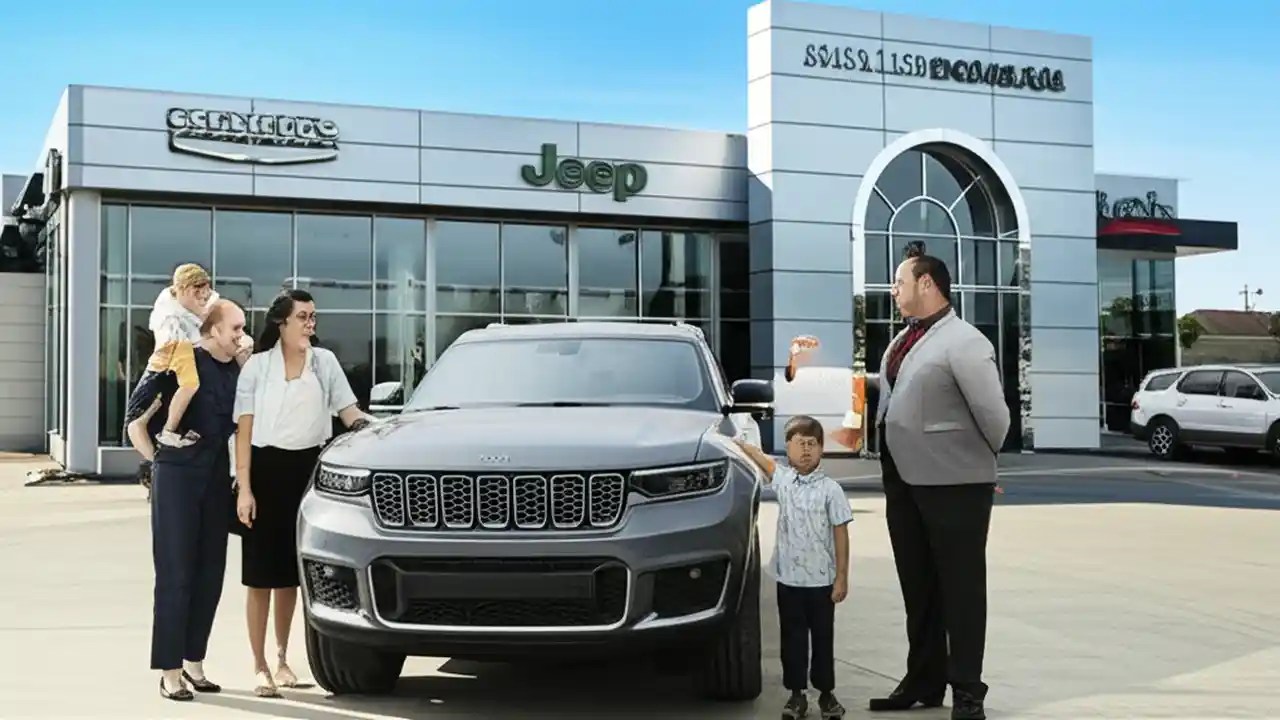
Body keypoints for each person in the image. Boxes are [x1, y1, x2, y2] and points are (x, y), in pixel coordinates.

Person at [866, 247, 1009, 720]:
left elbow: (996, 417)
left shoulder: (966, 342)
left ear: (927, 284)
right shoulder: (899, 341)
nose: (893, 290)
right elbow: (899, 390)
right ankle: (924, 680)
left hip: (955, 483)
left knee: (962, 588)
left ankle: (968, 691)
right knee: (919, 585)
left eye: (899, 281)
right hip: (904, 483)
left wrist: (978, 463)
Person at [233, 289, 375, 697]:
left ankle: (281, 659)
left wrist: (380, 428)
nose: (310, 325)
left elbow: (350, 414)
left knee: (290, 577)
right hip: (263, 472)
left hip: (306, 473)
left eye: (314, 318)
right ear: (282, 322)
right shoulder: (257, 368)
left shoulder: (324, 362)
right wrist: (244, 489)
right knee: (260, 577)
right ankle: (259, 664)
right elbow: (243, 431)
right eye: (303, 317)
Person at [124, 299, 247, 702]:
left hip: (214, 472)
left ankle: (194, 662)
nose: (241, 336)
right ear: (213, 330)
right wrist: (158, 459)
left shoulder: (236, 369)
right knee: (176, 574)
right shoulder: (181, 358)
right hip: (177, 473)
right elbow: (134, 419)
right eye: (235, 329)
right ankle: (169, 671)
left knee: (210, 571)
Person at [735, 415, 853, 720]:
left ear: (821, 449)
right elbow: (761, 459)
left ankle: (827, 694)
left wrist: (841, 577)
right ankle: (796, 695)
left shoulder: (832, 490)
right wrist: (739, 444)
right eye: (799, 444)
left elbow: (841, 534)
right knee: (793, 639)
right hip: (789, 582)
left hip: (822, 583)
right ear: (787, 448)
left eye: (812, 444)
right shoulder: (784, 480)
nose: (805, 451)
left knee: (823, 639)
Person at [145, 263, 219, 448]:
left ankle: (171, 429)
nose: (203, 296)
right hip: (177, 344)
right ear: (184, 289)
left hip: (180, 345)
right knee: (190, 385)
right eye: (198, 291)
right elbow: (195, 318)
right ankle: (168, 431)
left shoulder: (176, 300)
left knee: (192, 386)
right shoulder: (171, 308)